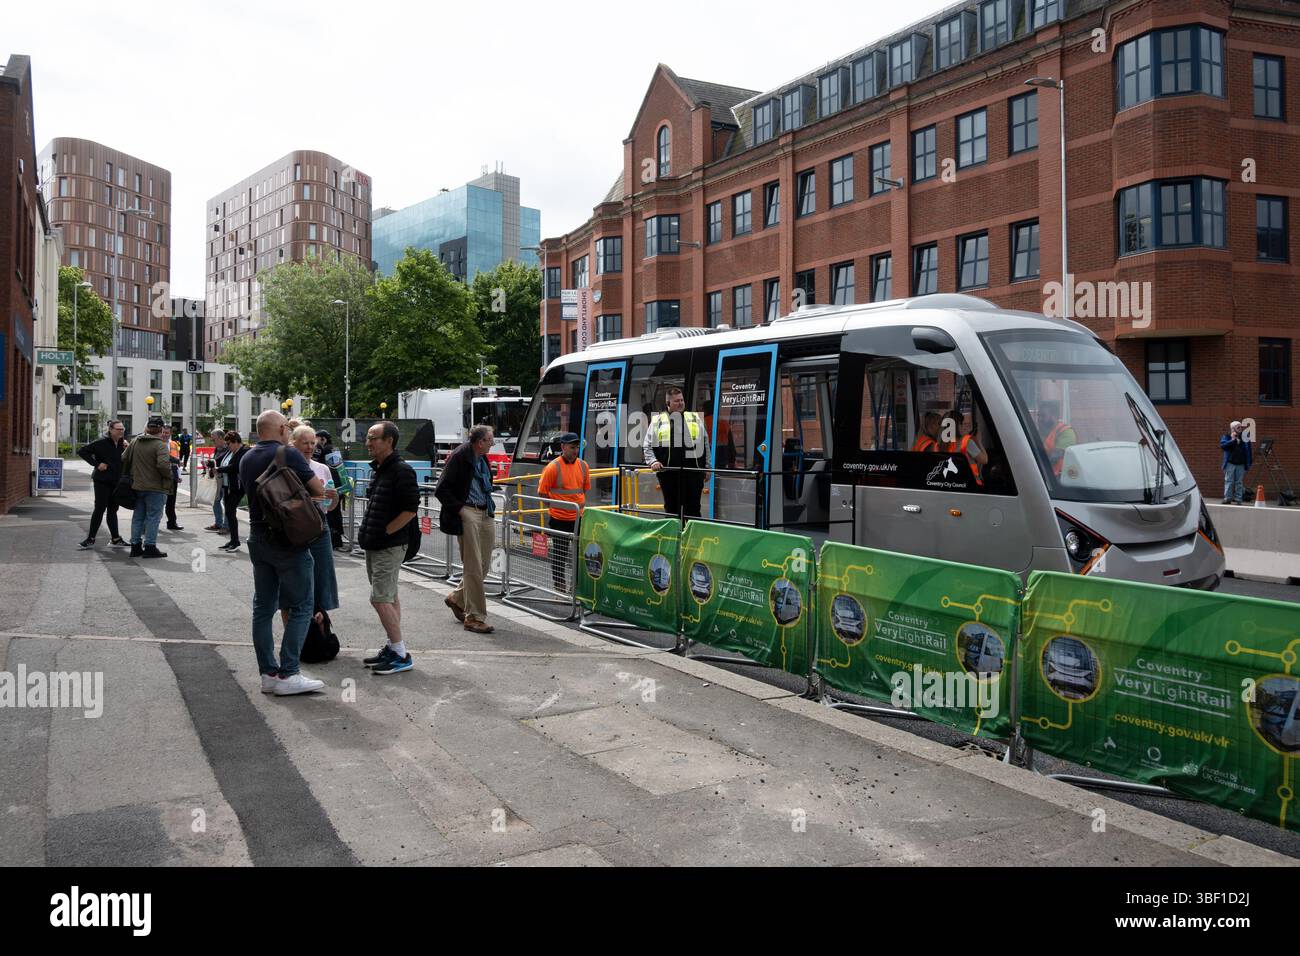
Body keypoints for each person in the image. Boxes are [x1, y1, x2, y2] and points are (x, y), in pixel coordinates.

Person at [238, 409, 327, 696]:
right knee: (302, 604)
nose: (289, 431)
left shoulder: (246, 457)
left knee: (263, 608)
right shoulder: (287, 454)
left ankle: (268, 674)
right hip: (287, 539)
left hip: (257, 537)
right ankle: (289, 673)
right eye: (286, 427)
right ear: (279, 430)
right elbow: (317, 489)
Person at [358, 421, 420, 672]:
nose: (368, 443)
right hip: (376, 543)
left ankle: (401, 654)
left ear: (389, 441)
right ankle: (393, 648)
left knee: (380, 599)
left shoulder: (401, 470)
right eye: (368, 438)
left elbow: (411, 510)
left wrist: (385, 532)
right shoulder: (381, 469)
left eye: (373, 438)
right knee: (389, 596)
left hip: (388, 545)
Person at [435, 424, 497, 634]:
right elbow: (441, 489)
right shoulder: (461, 455)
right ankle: (475, 617)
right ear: (480, 442)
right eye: (490, 440)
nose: (493, 443)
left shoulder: (480, 456)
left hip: (485, 511)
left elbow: (483, 482)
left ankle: (457, 598)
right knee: (474, 568)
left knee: (484, 564)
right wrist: (462, 510)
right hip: (469, 512)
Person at [291, 424, 340, 623]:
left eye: (313, 443)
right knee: (300, 577)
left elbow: (330, 506)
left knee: (322, 572)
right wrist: (310, 500)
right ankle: (302, 614)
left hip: (320, 526)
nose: (310, 447)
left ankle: (319, 614)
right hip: (297, 529)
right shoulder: (288, 468)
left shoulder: (322, 469)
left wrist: (333, 497)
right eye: (305, 443)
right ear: (293, 444)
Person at [641, 385, 709, 520]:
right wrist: (653, 461)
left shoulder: (694, 418)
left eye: (682, 400)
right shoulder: (657, 421)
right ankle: (673, 540)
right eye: (676, 401)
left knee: (694, 510)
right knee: (672, 510)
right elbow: (647, 445)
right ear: (668, 403)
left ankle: (691, 541)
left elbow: (705, 443)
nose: (680, 403)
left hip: (694, 474)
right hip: (669, 474)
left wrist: (707, 467)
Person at [536, 432, 590, 591]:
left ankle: (576, 586)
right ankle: (559, 586)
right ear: (563, 447)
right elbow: (542, 492)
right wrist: (553, 508)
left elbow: (583, 490)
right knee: (560, 554)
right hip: (559, 519)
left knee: (579, 554)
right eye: (572, 447)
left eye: (577, 447)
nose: (575, 450)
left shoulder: (583, 466)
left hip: (578, 518)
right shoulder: (553, 467)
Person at [123, 416, 174, 559]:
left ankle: (135, 546)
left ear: (147, 428)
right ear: (161, 429)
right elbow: (163, 465)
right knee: (153, 517)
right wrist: (168, 476)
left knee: (138, 517)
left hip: (137, 486)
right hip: (156, 487)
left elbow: (123, 458)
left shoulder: (135, 442)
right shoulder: (160, 445)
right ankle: (150, 547)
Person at [78, 420, 128, 549]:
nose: (121, 431)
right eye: (118, 429)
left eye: (122, 429)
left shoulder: (124, 444)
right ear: (110, 429)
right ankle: (90, 538)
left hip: (116, 482)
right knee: (100, 508)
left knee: (113, 510)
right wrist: (97, 464)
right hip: (102, 481)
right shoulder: (101, 442)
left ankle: (115, 538)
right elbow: (82, 451)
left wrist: (127, 449)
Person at [314, 429, 346, 550]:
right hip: (340, 485)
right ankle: (338, 540)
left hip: (332, 486)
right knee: (336, 513)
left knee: (331, 514)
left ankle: (334, 540)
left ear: (323, 439)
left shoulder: (325, 450)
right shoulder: (334, 449)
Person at [216, 431, 248, 551]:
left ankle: (235, 541)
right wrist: (212, 464)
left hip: (238, 487)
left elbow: (235, 467)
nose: (227, 446)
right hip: (228, 485)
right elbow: (220, 460)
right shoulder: (232, 451)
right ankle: (233, 540)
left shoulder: (244, 451)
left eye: (229, 443)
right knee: (229, 513)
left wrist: (219, 469)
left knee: (230, 511)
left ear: (236, 442)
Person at [1036, 401, 1077, 476]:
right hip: (1043, 477)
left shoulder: (1066, 432)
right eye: (1038, 416)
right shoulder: (1038, 433)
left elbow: (1053, 457)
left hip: (1060, 480)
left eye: (1043, 416)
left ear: (1053, 416)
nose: (1039, 419)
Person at [1220, 420, 1253, 504]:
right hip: (1230, 463)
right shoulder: (1227, 436)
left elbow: (1249, 450)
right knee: (1229, 481)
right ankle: (1227, 498)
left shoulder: (1245, 437)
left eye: (1241, 427)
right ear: (1233, 428)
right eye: (1238, 427)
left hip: (1241, 464)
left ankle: (1238, 499)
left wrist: (1249, 462)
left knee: (1239, 482)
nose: (1240, 428)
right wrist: (1232, 439)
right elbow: (1223, 446)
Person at [203, 428, 229, 532]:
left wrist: (213, 462)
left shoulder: (229, 448)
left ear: (221, 438)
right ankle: (218, 523)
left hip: (226, 479)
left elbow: (224, 461)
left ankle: (226, 526)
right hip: (217, 479)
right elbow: (216, 460)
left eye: (214, 440)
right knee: (215, 501)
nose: (213, 442)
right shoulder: (217, 448)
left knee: (227, 503)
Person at [160, 425, 183, 531]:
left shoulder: (173, 444)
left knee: (171, 501)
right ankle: (153, 523)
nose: (164, 434)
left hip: (172, 476)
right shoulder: (157, 444)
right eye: (163, 432)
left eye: (167, 433)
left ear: (170, 434)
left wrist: (179, 476)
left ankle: (172, 523)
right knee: (158, 502)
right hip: (160, 476)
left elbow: (177, 460)